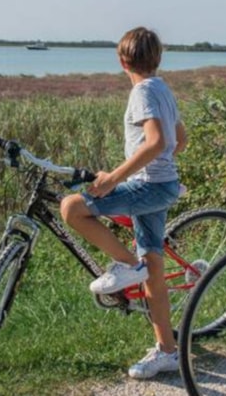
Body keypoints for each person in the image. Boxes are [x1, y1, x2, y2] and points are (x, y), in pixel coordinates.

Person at [59, 26, 188, 380]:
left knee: (72, 207)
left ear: (121, 61)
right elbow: (181, 140)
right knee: (155, 269)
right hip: (160, 185)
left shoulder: (142, 92)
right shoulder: (163, 89)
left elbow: (157, 140)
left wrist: (114, 179)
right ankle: (167, 351)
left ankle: (127, 265)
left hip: (148, 186)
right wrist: (159, 168)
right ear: (157, 58)